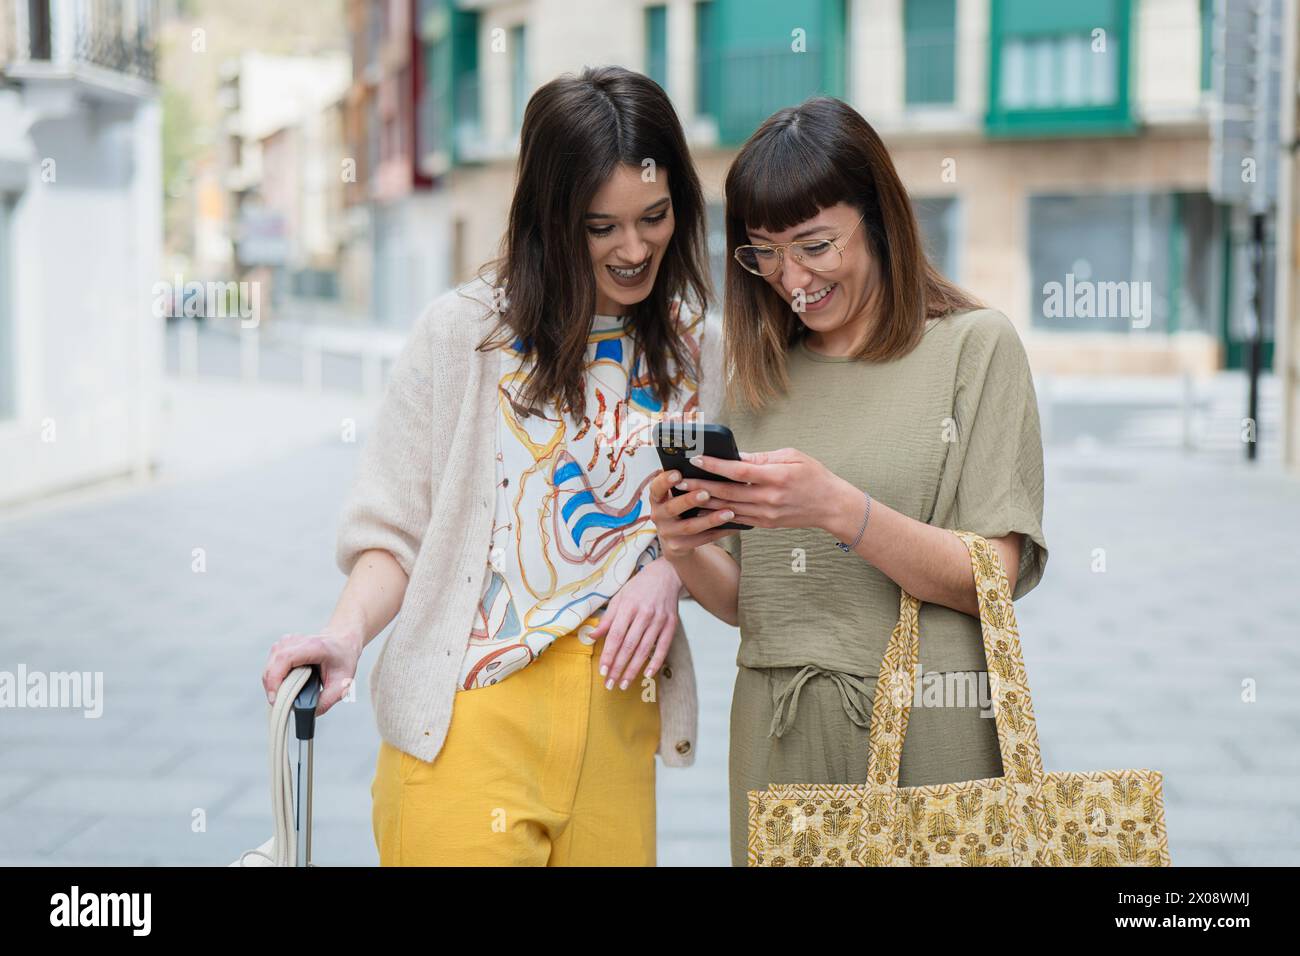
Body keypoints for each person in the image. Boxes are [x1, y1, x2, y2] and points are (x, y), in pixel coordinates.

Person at [262, 65, 723, 866]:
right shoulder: (462, 336)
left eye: (654, 217)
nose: (634, 247)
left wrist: (670, 573)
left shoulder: (698, 352)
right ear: (550, 220)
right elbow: (394, 528)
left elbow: (722, 526)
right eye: (600, 226)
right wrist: (345, 634)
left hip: (621, 721)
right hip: (469, 720)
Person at [648, 97, 1049, 866]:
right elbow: (750, 602)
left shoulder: (973, 348)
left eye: (815, 245)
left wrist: (840, 510)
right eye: (762, 252)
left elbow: (997, 573)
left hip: (931, 728)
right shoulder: (758, 374)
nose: (790, 278)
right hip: (778, 734)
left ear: (879, 217)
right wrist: (681, 544)